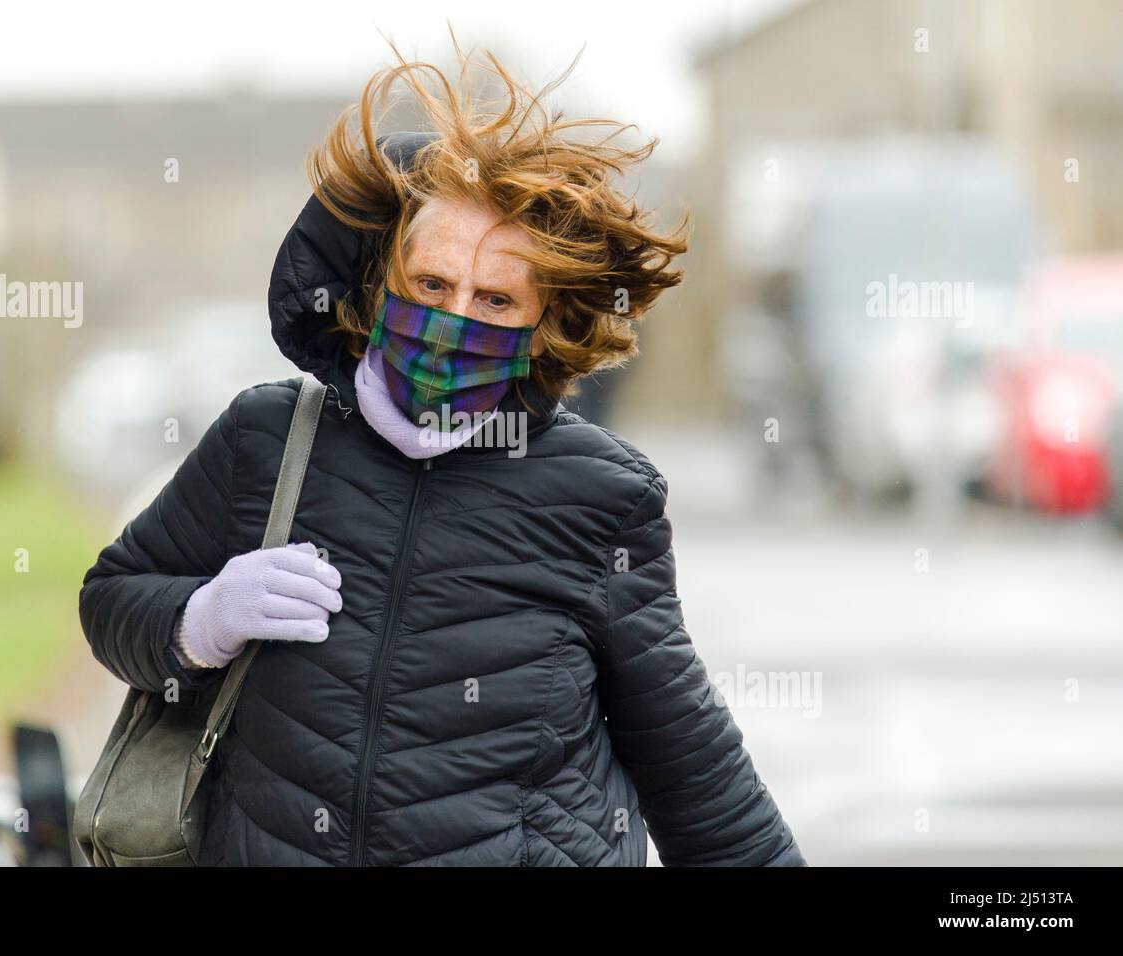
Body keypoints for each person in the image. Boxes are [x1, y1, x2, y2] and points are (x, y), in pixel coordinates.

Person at [79, 45, 805, 867]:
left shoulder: (602, 497)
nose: (454, 320)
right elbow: (111, 601)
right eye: (430, 285)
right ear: (380, 279)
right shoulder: (267, 442)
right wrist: (199, 620)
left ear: (541, 325)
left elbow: (691, 762)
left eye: (494, 300)